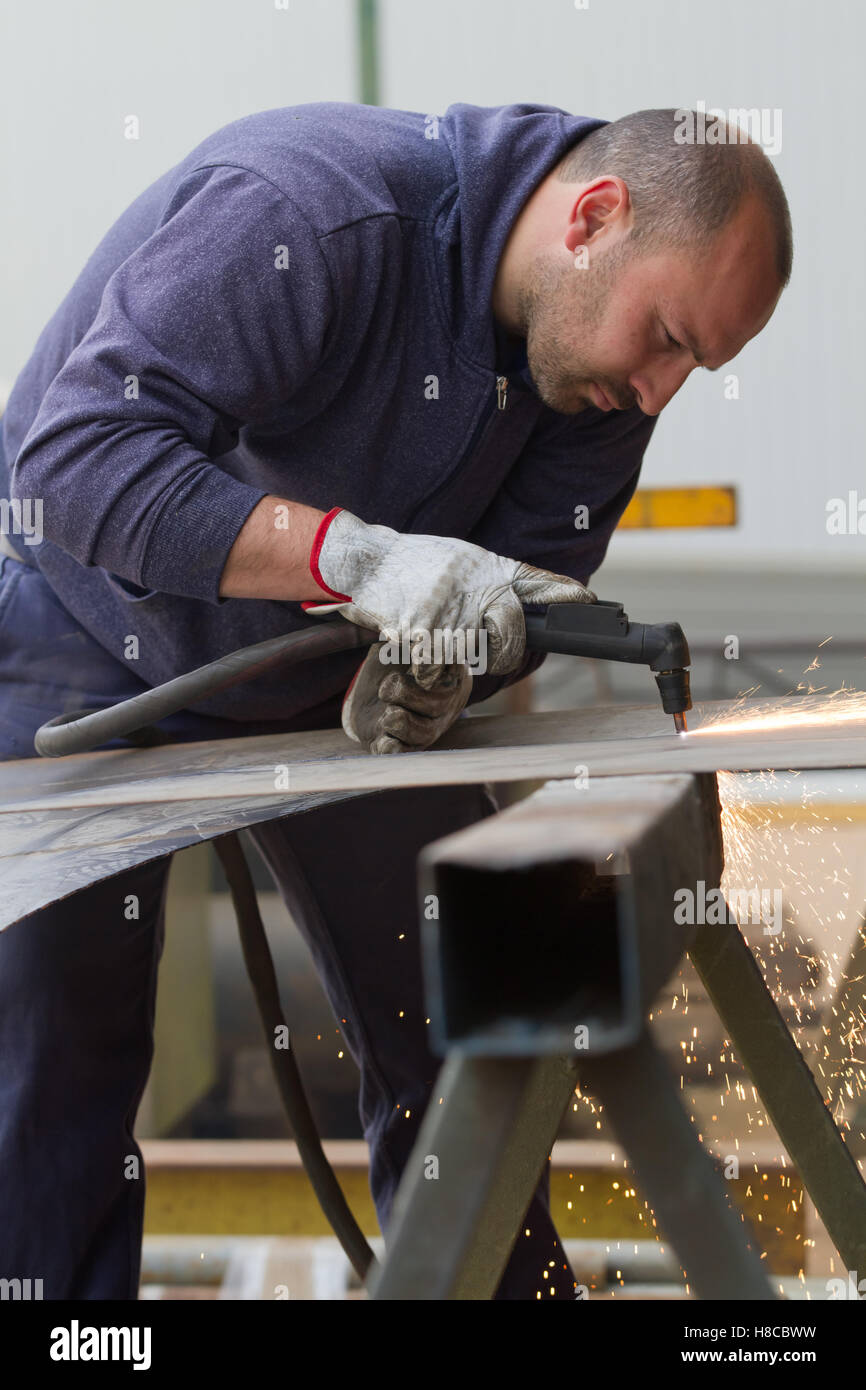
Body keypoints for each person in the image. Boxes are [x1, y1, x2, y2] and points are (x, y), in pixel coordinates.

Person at [0, 102, 791, 1299]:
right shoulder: (314, 213)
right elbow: (72, 466)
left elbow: (533, 580)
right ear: (591, 218)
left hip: (324, 695)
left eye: (694, 366)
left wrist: (438, 673)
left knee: (456, 1024)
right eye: (665, 337)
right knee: (56, 1061)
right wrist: (356, 561)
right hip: (82, 634)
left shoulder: (595, 380)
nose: (657, 391)